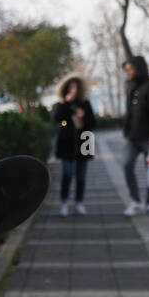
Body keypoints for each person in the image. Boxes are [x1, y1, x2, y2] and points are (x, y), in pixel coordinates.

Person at [121, 55, 149, 216]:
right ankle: (135, 200)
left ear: (139, 68)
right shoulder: (130, 86)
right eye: (126, 70)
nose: (128, 72)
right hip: (133, 137)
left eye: (130, 69)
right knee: (126, 164)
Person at [52, 75, 96, 216]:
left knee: (81, 176)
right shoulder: (61, 104)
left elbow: (93, 123)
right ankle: (64, 203)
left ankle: (79, 202)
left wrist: (83, 116)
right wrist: (66, 103)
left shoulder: (85, 103)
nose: (74, 90)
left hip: (84, 141)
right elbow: (57, 117)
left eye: (76, 87)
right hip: (67, 144)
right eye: (71, 87)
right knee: (67, 173)